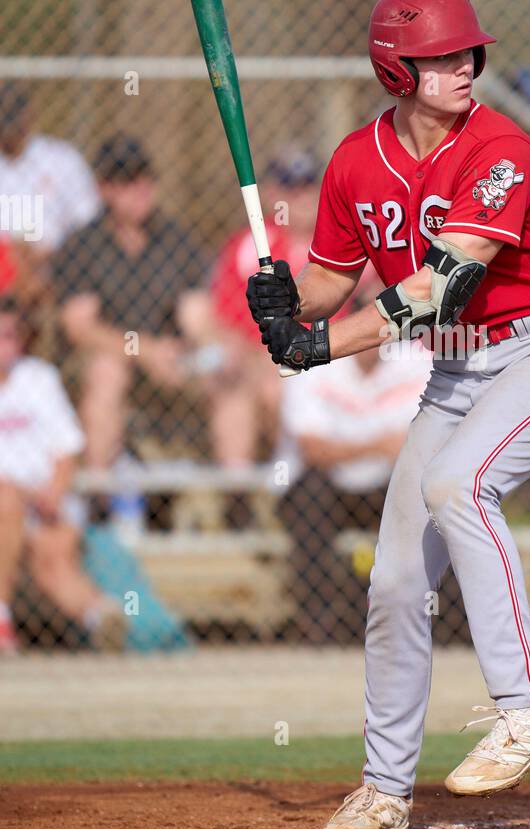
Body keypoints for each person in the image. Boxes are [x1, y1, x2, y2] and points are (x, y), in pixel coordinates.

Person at [246, 0, 530, 829]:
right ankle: (383, 791)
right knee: (395, 585)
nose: (462, 66)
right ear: (394, 67)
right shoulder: (353, 162)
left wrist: (320, 346)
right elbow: (334, 285)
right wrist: (284, 305)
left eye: (466, 52)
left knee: (461, 483)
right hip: (457, 374)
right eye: (439, 57)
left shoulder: (503, 150)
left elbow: (440, 286)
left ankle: (526, 710)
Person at [58, 135, 210, 470]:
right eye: (127, 180)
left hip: (170, 356)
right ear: (104, 189)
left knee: (227, 370)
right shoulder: (85, 244)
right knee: (107, 372)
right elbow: (79, 328)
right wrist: (145, 351)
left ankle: (235, 499)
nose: (141, 187)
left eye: (146, 176)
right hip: (109, 357)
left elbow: (198, 313)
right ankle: (99, 497)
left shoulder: (173, 237)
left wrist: (196, 351)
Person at [276, 323, 432, 640]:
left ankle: (431, 619)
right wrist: (377, 446)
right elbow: (313, 449)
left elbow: (422, 442)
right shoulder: (309, 358)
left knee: (427, 492)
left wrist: (353, 448)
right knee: (310, 496)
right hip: (327, 489)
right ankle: (318, 624)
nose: (372, 338)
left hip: (385, 485)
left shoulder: (414, 360)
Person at [0, 298, 125, 653]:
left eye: (12, 335)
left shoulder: (38, 378)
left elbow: (67, 450)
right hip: (8, 503)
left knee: (51, 558)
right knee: (5, 502)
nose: (7, 343)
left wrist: (53, 493)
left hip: (43, 502)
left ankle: (100, 616)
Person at [208, 148, 321, 465]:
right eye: (290, 188)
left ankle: (298, 483)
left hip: (329, 359)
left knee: (275, 386)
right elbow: (225, 320)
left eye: (307, 187)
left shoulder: (339, 241)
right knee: (235, 401)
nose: (299, 197)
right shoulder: (249, 246)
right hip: (260, 361)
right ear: (272, 194)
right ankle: (240, 501)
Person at [0, 84, 101, 282]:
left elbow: (88, 219)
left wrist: (51, 250)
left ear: (29, 116)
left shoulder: (61, 159)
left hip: (58, 261)